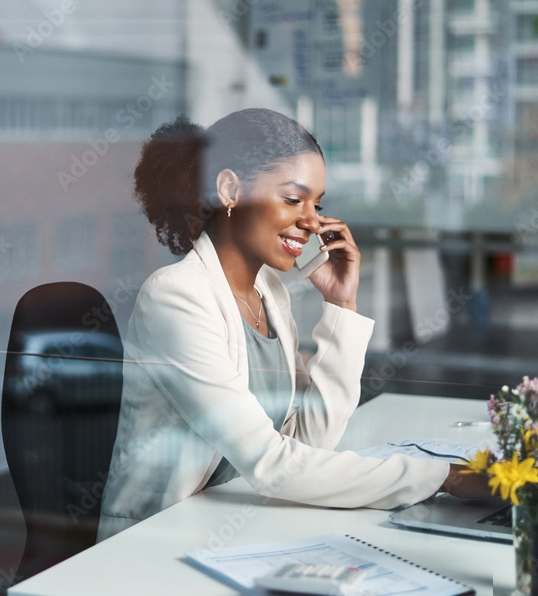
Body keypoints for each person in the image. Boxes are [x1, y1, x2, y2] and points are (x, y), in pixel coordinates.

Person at [97, 108, 486, 542]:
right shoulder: (175, 297)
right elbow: (272, 465)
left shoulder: (271, 292)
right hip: (155, 544)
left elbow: (309, 441)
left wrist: (341, 304)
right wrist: (443, 477)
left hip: (239, 528)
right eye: (292, 199)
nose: (312, 222)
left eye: (317, 205)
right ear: (229, 190)